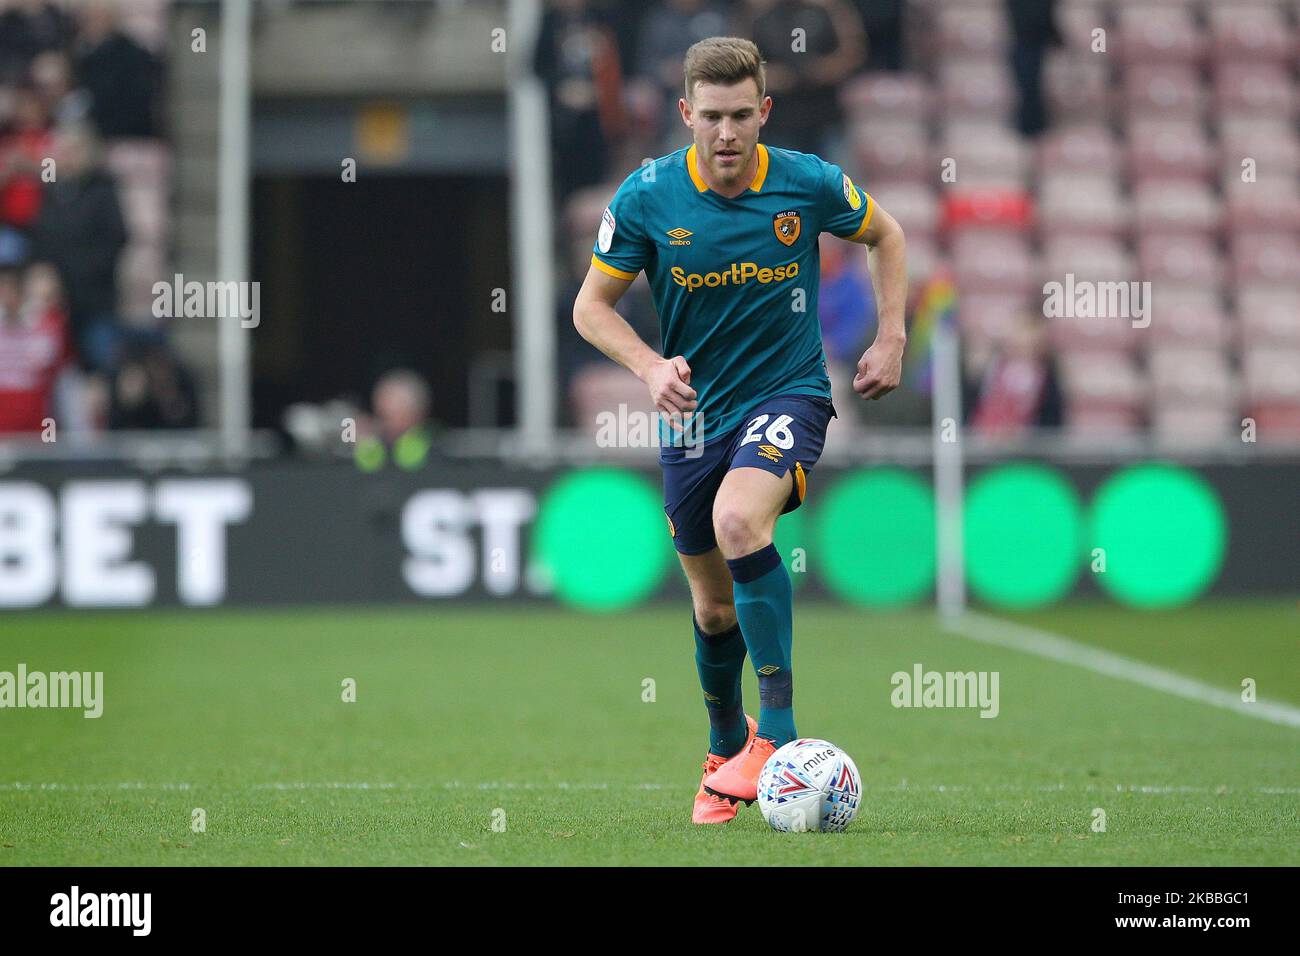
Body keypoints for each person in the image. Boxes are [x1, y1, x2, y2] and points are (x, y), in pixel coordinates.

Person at [572, 37, 907, 823]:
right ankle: (727, 741)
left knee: (736, 519)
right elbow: (591, 309)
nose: (726, 133)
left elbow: (886, 236)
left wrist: (891, 335)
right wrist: (651, 367)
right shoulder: (649, 196)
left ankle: (779, 735)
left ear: (764, 111)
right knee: (712, 608)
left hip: (787, 393)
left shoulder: (807, 182)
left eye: (741, 117)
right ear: (687, 114)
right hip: (695, 414)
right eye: (711, 117)